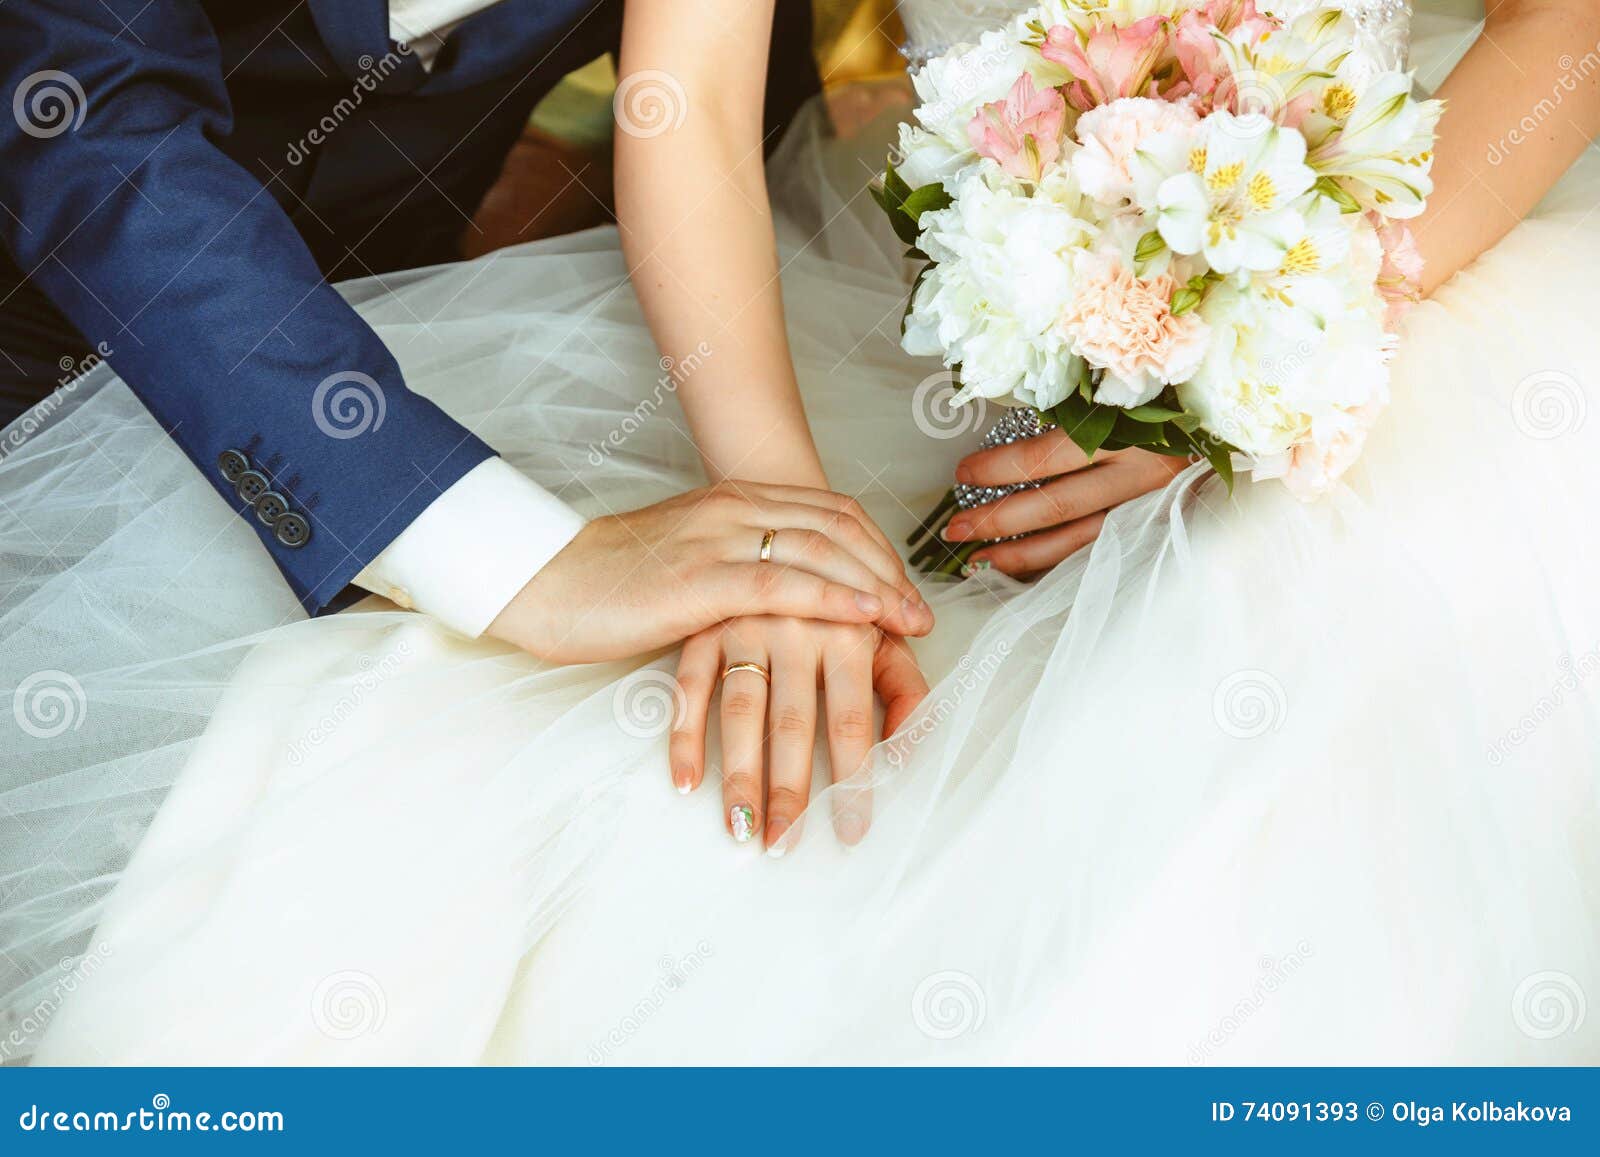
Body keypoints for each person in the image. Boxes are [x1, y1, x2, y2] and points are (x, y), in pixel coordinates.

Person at [2, 0, 1597, 1064]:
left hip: (1411, 268)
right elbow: (677, 97)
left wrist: (1255, 352)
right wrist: (773, 508)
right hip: (173, 310)